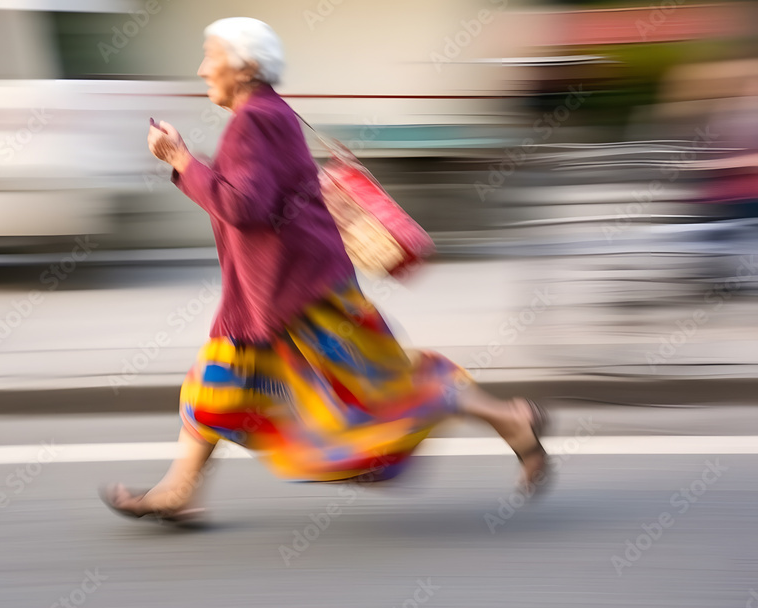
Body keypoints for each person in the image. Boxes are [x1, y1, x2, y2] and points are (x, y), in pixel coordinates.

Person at [101, 17, 551, 524]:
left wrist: (181, 158)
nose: (203, 69)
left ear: (245, 67)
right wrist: (190, 164)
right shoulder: (263, 114)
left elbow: (245, 206)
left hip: (306, 297)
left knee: (388, 390)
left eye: (211, 56)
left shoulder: (257, 120)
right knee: (215, 385)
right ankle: (178, 490)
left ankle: (510, 419)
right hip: (265, 299)